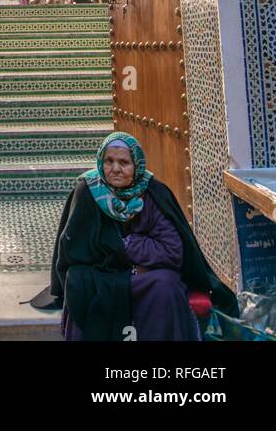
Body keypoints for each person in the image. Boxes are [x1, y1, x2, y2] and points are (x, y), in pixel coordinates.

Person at [32, 132, 238, 342]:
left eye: (124, 162)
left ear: (136, 165)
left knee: (166, 283)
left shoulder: (153, 193)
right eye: (109, 161)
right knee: (77, 280)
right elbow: (73, 250)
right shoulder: (87, 191)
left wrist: (128, 244)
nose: (115, 169)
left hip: (142, 277)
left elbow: (172, 250)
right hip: (102, 276)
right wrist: (127, 257)